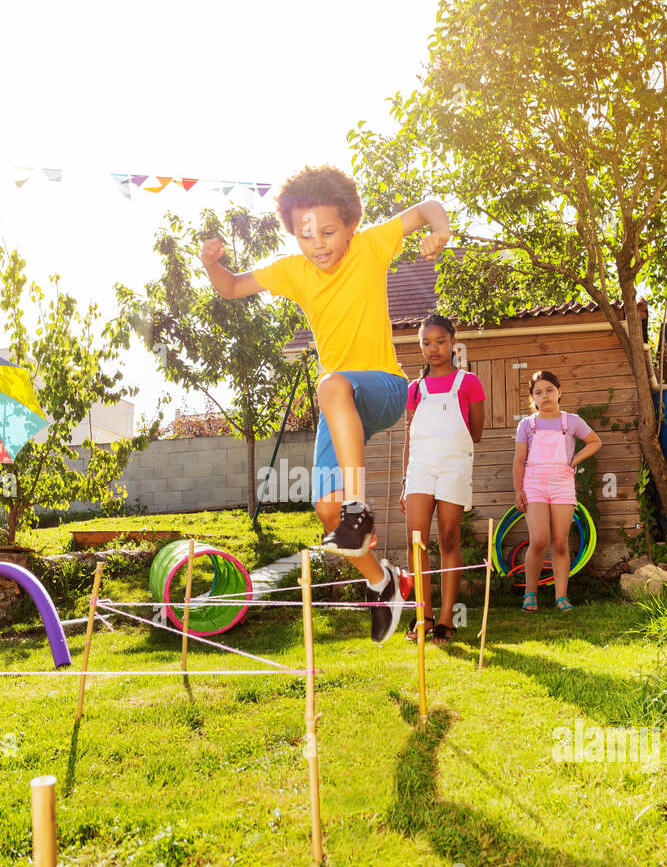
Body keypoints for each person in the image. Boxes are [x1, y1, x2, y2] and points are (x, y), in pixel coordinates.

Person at [200, 164, 452, 644]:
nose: (318, 245)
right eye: (305, 235)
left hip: (382, 388)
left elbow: (425, 209)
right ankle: (384, 583)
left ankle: (360, 508)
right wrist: (212, 263)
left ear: (351, 223)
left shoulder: (372, 244)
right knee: (325, 510)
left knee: (332, 384)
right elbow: (231, 286)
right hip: (341, 409)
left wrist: (439, 229)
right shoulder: (293, 271)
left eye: (329, 232)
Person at [400, 314, 486, 643]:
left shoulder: (469, 383)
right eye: (426, 342)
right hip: (420, 467)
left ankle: (446, 620)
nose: (432, 348)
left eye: (439, 341)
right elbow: (410, 437)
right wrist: (405, 482)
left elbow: (475, 433)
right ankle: (423, 615)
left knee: (449, 537)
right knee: (416, 540)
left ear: (452, 342)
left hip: (454, 465)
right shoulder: (414, 388)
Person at [512, 370, 602, 611]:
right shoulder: (527, 424)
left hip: (562, 485)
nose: (545, 396)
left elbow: (595, 441)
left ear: (559, 392)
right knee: (539, 539)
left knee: (560, 542)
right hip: (534, 484)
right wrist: (518, 490)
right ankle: (530, 594)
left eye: (550, 390)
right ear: (533, 397)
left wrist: (574, 459)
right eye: (539, 393)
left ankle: (561, 596)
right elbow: (519, 460)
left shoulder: (571, 421)